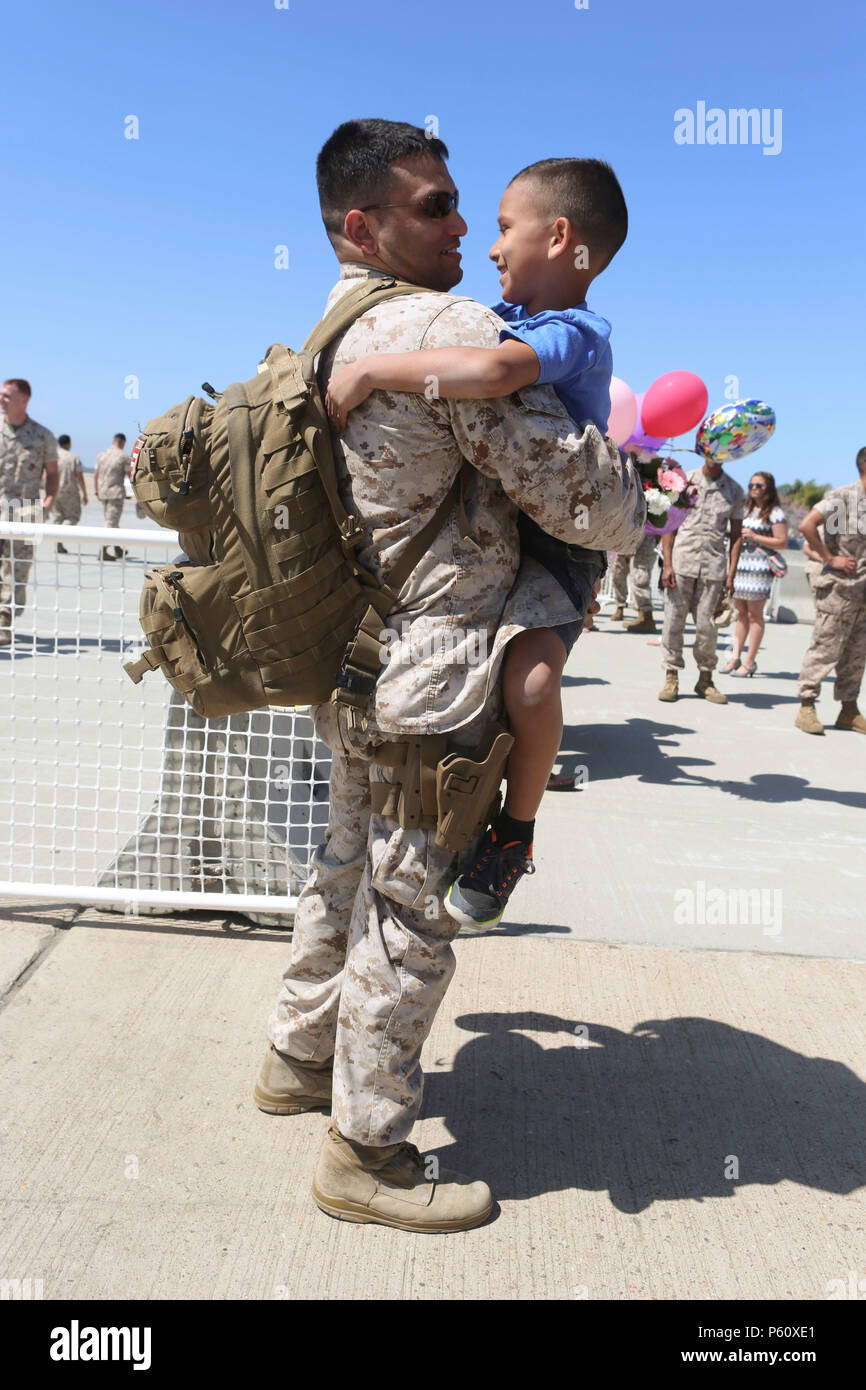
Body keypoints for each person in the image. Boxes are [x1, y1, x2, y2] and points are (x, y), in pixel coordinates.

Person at [255, 118, 643, 1234]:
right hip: (434, 672)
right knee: (410, 905)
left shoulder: (330, 331)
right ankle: (366, 1150)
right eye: (436, 206)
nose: (465, 226)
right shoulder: (448, 330)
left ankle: (298, 1056)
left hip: (347, 653)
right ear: (362, 224)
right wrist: (634, 487)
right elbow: (590, 505)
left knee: (344, 862)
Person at [326, 155, 628, 927]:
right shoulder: (505, 315)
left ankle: (514, 834)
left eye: (503, 227)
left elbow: (492, 372)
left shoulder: (575, 332)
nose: (489, 246)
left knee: (530, 683)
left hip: (558, 548)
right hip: (508, 533)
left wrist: (372, 372)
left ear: (558, 238)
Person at [658, 452, 745, 703]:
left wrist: (731, 574)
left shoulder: (735, 491)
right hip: (682, 564)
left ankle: (705, 679)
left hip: (713, 569)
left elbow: (736, 536)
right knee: (673, 623)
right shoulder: (684, 482)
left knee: (708, 628)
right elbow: (669, 525)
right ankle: (671, 676)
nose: (715, 457)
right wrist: (667, 564)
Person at [794, 447, 866, 734]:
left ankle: (849, 710)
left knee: (856, 655)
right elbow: (807, 525)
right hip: (839, 590)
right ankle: (807, 706)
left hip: (863, 593)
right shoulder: (843, 498)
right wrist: (829, 558)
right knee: (825, 648)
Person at [0, 378, 58, 645]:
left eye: (6, 396)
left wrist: (49, 501)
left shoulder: (43, 436)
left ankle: (5, 618)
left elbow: (52, 473)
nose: (1, 400)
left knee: (18, 571)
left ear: (24, 399)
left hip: (26, 514)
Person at [721, 470, 787, 676]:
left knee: (754, 615)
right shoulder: (745, 509)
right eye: (751, 485)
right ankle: (735, 657)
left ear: (768, 488)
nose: (754, 489)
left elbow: (781, 542)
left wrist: (755, 536)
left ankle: (750, 661)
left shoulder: (775, 512)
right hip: (741, 565)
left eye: (759, 485)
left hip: (760, 569)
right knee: (740, 613)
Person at [609, 532, 659, 632]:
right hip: (622, 538)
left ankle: (646, 617)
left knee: (639, 578)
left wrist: (633, 544)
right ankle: (620, 607)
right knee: (617, 575)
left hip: (643, 537)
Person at [94, 433, 129, 560]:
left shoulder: (101, 455)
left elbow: (96, 474)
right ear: (122, 442)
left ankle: (117, 548)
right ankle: (103, 550)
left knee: (111, 520)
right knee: (111, 522)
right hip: (115, 493)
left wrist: (97, 490)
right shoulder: (123, 456)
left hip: (103, 492)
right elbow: (130, 475)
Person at [52, 434, 88, 551]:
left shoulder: (53, 457)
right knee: (72, 517)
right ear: (69, 443)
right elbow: (80, 477)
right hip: (70, 492)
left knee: (58, 518)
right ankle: (60, 536)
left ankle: (58, 542)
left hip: (54, 491)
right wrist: (85, 493)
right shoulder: (73, 458)